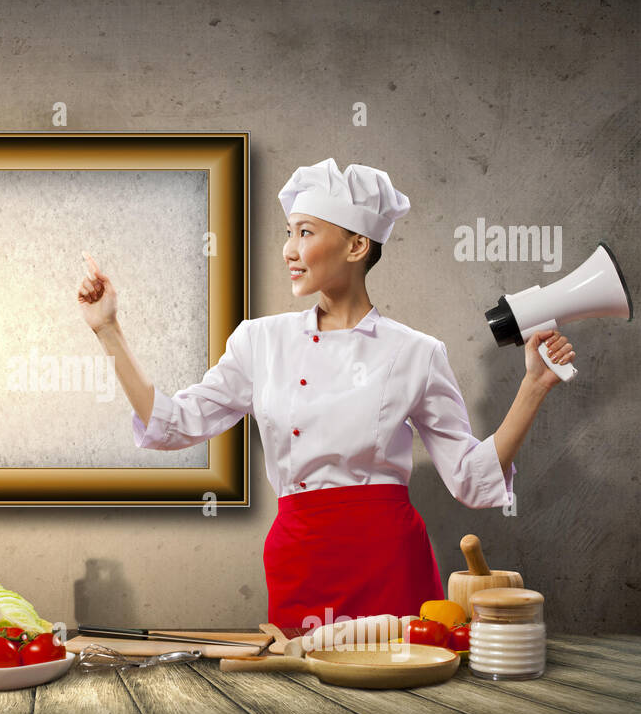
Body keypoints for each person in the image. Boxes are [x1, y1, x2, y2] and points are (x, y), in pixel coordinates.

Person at [77, 158, 575, 628]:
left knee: (402, 705)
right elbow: (174, 423)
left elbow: (470, 478)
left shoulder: (417, 353)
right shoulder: (260, 341)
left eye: (306, 233)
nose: (289, 250)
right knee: (305, 709)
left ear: (357, 246)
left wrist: (533, 386)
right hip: (300, 556)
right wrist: (109, 332)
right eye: (288, 233)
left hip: (387, 561)